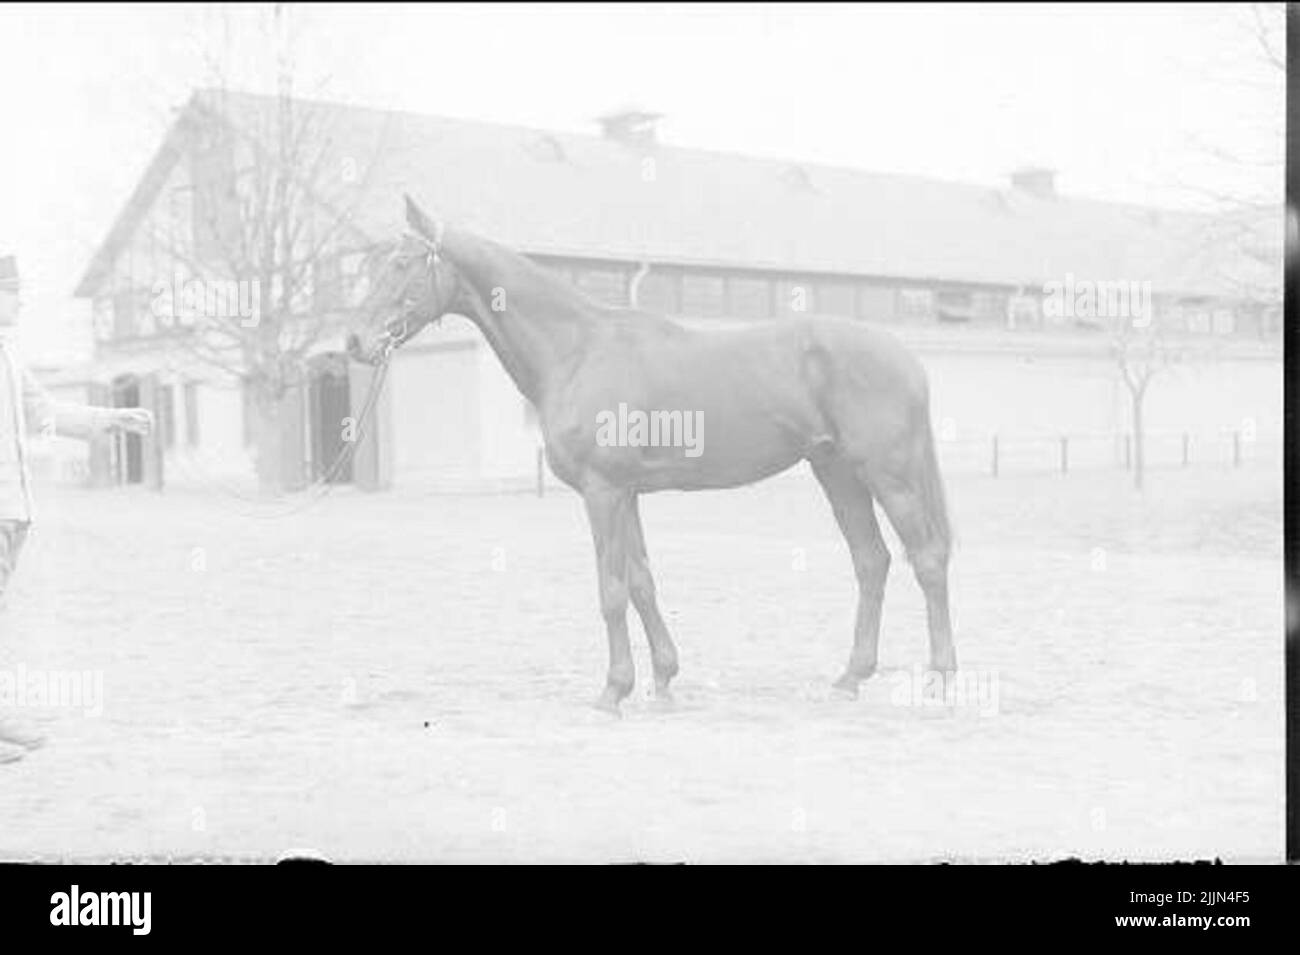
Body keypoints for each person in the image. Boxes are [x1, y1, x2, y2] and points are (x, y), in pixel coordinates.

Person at [0, 255, 152, 762]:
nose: (20, 301)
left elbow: (44, 413)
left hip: (13, 513)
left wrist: (111, 418)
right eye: (12, 292)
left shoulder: (6, 355)